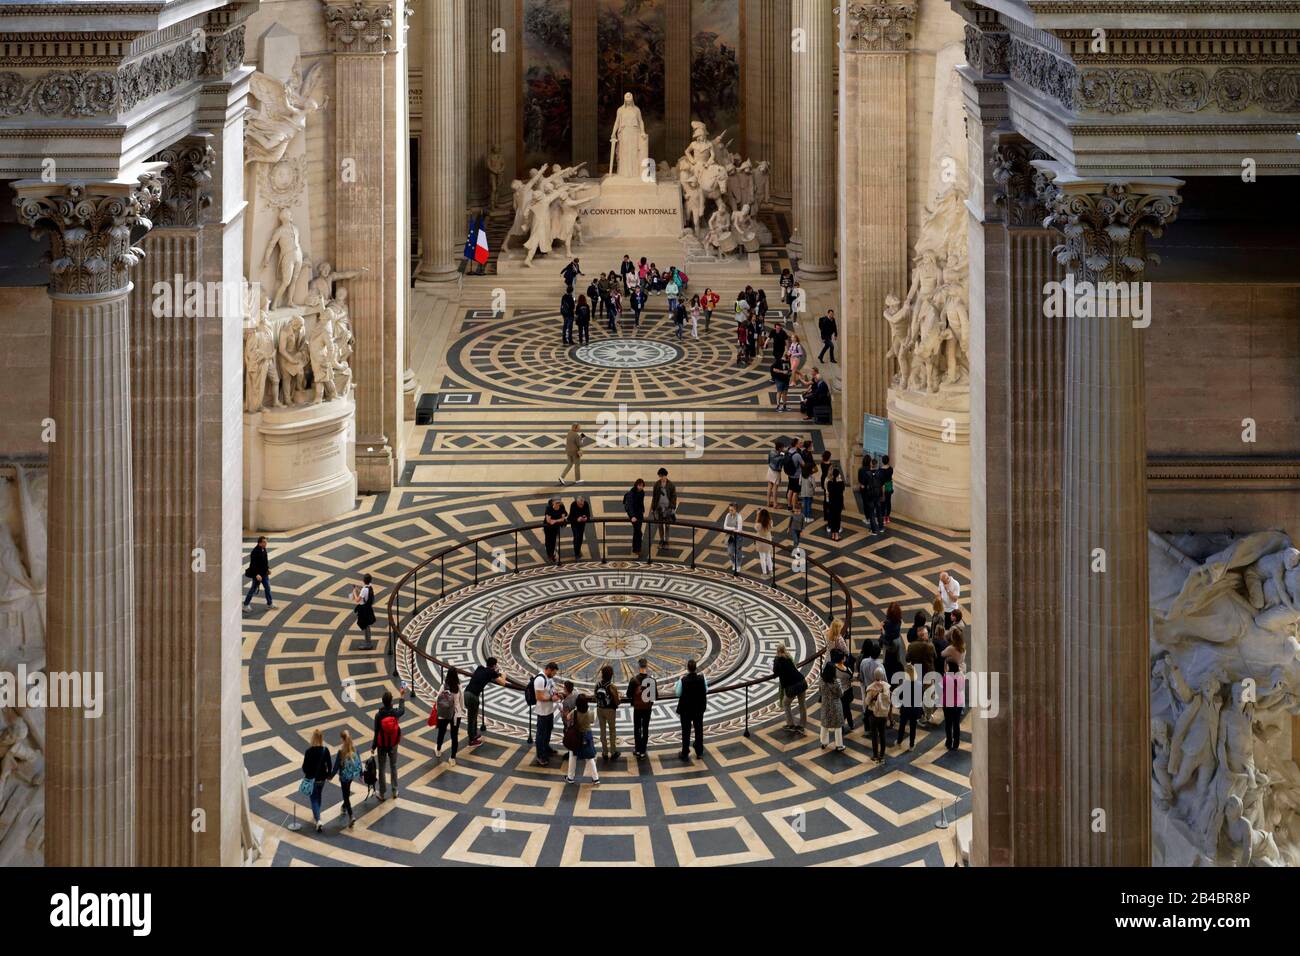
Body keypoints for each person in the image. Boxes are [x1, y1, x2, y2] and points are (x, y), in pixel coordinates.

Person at [372, 686, 408, 801]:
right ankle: (395, 790)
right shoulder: (394, 713)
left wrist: (373, 746)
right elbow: (402, 710)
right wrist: (402, 696)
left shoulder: (379, 715)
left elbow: (376, 731)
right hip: (393, 744)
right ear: (391, 701)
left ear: (383, 701)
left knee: (382, 769)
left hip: (382, 745)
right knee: (393, 766)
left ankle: (382, 793)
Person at [464, 657, 507, 747]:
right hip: (473, 696)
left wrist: (496, 673)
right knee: (471, 718)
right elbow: (503, 683)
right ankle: (471, 740)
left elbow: (484, 674)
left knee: (473, 716)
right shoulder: (491, 672)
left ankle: (474, 735)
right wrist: (503, 675)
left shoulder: (480, 668)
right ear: (494, 665)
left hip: (467, 692)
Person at [431, 668, 465, 766]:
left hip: (444, 714)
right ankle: (452, 758)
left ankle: (438, 750)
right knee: (454, 736)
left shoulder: (444, 686)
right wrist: (460, 710)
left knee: (441, 732)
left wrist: (439, 710)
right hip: (456, 714)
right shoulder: (458, 687)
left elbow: (438, 699)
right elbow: (461, 700)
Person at [675, 659, 708, 760]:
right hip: (698, 708)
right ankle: (699, 751)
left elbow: (678, 693)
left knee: (686, 731)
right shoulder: (702, 678)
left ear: (687, 668)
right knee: (699, 730)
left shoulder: (683, 680)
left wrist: (678, 683)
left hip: (686, 710)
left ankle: (685, 752)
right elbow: (706, 690)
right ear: (696, 668)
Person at [563, 694, 600, 785]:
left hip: (576, 736)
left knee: (573, 756)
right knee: (590, 757)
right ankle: (595, 778)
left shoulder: (574, 712)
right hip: (587, 736)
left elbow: (567, 717)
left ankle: (570, 777)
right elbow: (592, 721)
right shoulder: (590, 713)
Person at [531, 661, 563, 766]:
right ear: (549, 669)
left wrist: (556, 694)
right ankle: (540, 756)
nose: (554, 675)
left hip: (549, 710)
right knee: (541, 734)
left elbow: (551, 690)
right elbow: (539, 697)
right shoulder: (540, 679)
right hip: (542, 712)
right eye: (554, 673)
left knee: (549, 730)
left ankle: (546, 747)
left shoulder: (549, 678)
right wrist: (551, 698)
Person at [301, 729, 332, 832]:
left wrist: (307, 774)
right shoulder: (325, 750)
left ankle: (318, 820)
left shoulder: (308, 751)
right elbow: (330, 764)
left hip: (312, 779)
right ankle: (317, 814)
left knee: (313, 798)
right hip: (322, 778)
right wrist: (328, 775)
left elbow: (304, 767)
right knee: (318, 796)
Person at [773, 644, 807, 732]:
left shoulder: (778, 660)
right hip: (801, 681)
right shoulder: (788, 657)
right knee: (802, 704)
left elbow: (775, 672)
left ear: (777, 652)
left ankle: (790, 724)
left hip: (792, 686)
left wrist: (775, 661)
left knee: (786, 703)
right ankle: (802, 725)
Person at [332, 730, 361, 829]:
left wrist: (330, 776)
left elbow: (336, 767)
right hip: (351, 776)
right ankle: (344, 807)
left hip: (344, 777)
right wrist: (361, 774)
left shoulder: (341, 752)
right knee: (347, 791)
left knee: (345, 796)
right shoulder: (355, 749)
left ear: (342, 739)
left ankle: (351, 815)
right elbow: (359, 763)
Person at [627, 658, 656, 758]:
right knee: (645, 728)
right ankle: (643, 750)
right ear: (646, 666)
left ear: (638, 667)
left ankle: (638, 749)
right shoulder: (651, 680)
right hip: (647, 708)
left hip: (637, 708)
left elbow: (628, 694)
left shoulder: (634, 680)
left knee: (637, 728)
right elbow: (654, 697)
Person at [864, 666, 892, 761]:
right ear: (883, 675)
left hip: (874, 714)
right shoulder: (887, 687)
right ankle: (882, 755)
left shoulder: (871, 688)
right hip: (884, 714)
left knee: (874, 736)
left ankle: (875, 755)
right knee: (883, 734)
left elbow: (867, 702)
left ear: (874, 675)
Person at [818, 658, 846, 751]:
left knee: (825, 724)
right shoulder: (836, 682)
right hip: (835, 705)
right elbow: (840, 694)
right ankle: (839, 745)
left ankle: (824, 742)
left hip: (825, 704)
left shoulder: (821, 680)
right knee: (837, 726)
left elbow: (820, 691)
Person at [594, 664, 621, 759]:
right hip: (610, 711)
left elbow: (595, 697)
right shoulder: (612, 687)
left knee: (602, 731)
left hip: (599, 709)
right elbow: (617, 702)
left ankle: (605, 752)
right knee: (612, 731)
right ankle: (613, 752)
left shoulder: (597, 685)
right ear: (611, 675)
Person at [242, 535, 273, 612]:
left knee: (268, 588)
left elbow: (265, 562)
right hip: (258, 575)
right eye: (264, 542)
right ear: (260, 543)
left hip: (264, 574)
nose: (266, 543)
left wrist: (268, 568)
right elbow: (253, 565)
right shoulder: (255, 552)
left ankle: (270, 604)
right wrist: (256, 574)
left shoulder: (264, 549)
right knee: (253, 589)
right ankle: (245, 605)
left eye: (266, 542)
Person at [896, 663, 922, 750]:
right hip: (915, 709)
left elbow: (900, 697)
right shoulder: (919, 684)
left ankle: (899, 741)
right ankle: (911, 745)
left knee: (902, 725)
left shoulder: (904, 684)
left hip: (905, 709)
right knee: (913, 727)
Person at [651, 467, 677, 551]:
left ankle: (667, 541)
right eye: (660, 476)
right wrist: (653, 508)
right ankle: (661, 540)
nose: (661, 478)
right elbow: (654, 497)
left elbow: (674, 497)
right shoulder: (657, 484)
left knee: (667, 526)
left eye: (662, 476)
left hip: (668, 509)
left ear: (665, 475)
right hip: (659, 508)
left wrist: (672, 508)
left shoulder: (671, 485)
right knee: (660, 525)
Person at [857, 456, 883, 535]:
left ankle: (874, 531)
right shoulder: (879, 473)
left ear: (871, 464)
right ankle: (881, 528)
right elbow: (881, 484)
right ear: (876, 464)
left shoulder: (867, 474)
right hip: (878, 494)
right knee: (879, 511)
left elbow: (863, 485)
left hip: (870, 495)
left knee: (871, 513)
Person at [351, 572, 377, 650]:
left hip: (364, 609)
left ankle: (368, 643)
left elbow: (357, 600)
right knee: (367, 625)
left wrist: (354, 592)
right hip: (368, 608)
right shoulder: (370, 587)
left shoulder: (364, 589)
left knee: (365, 625)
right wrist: (357, 589)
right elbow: (364, 593)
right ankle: (368, 642)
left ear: (363, 580)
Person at [942, 659, 964, 750]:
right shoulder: (961, 676)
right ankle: (956, 744)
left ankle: (949, 742)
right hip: (958, 703)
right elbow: (962, 688)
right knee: (956, 724)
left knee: (948, 724)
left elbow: (942, 689)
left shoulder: (946, 677)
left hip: (947, 703)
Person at [624, 477, 646, 555]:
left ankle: (636, 548)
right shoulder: (631, 493)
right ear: (636, 485)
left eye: (642, 486)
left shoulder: (642, 492)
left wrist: (642, 511)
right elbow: (629, 506)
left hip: (639, 514)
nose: (641, 487)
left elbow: (641, 503)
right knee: (638, 532)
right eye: (639, 485)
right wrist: (632, 516)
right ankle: (637, 549)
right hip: (632, 514)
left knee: (637, 531)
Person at [543, 498, 568, 565]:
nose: (557, 505)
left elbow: (562, 519)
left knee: (553, 540)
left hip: (555, 526)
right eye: (556, 503)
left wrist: (555, 521)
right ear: (553, 503)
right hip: (548, 527)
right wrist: (555, 521)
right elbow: (549, 521)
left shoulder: (562, 506)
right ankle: (549, 555)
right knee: (548, 541)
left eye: (558, 503)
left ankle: (552, 554)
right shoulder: (549, 508)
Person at [825, 467, 846, 541]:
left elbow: (829, 491)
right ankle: (836, 535)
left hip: (831, 503)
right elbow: (842, 490)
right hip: (838, 503)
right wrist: (839, 479)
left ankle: (833, 534)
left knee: (832, 518)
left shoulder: (829, 483)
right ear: (838, 475)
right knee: (837, 518)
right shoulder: (841, 483)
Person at [723, 503, 744, 573]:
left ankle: (738, 565)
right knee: (730, 552)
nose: (730, 511)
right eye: (729, 510)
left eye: (732, 510)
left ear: (735, 510)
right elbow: (724, 527)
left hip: (738, 537)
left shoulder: (739, 517)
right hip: (730, 536)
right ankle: (733, 563)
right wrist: (733, 528)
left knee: (738, 551)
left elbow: (739, 530)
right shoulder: (728, 515)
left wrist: (732, 529)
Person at [569, 494, 592, 560]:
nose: (581, 506)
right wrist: (577, 519)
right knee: (576, 538)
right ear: (577, 502)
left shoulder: (586, 504)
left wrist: (586, 518)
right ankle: (576, 553)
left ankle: (578, 551)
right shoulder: (573, 505)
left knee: (580, 538)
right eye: (580, 504)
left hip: (582, 524)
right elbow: (570, 517)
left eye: (582, 504)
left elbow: (588, 515)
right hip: (574, 524)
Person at [765, 440, 786, 507]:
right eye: (783, 448)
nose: (783, 449)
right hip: (776, 472)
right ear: (779, 448)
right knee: (775, 488)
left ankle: (768, 502)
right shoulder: (781, 457)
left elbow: (768, 461)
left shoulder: (771, 452)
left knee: (769, 486)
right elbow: (783, 462)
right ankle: (775, 504)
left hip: (770, 470)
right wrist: (783, 454)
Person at [754, 508, 774, 577]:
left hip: (761, 542)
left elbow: (756, 528)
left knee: (762, 558)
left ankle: (764, 573)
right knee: (768, 557)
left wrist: (757, 516)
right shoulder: (770, 522)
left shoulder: (758, 525)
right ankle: (771, 572)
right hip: (768, 541)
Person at [879, 454, 894, 525]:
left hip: (883, 487)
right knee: (888, 502)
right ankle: (887, 517)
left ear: (882, 461)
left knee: (883, 503)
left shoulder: (880, 470)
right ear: (888, 461)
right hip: (889, 487)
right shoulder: (891, 469)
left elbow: (880, 481)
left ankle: (883, 518)